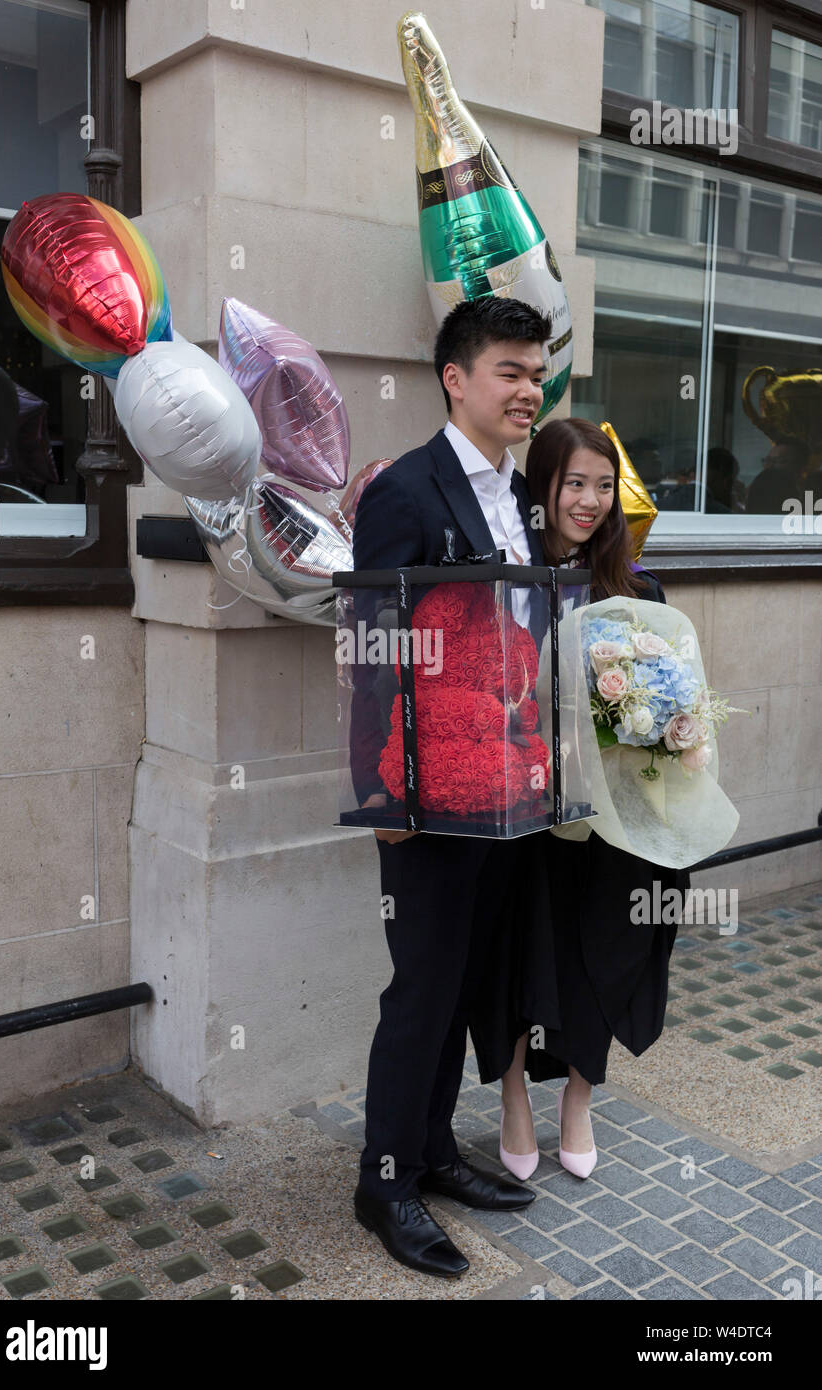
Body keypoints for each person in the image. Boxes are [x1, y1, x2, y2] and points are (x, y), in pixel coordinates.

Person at [350, 296, 557, 1278]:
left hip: (502, 791)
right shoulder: (405, 491)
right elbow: (373, 650)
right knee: (420, 990)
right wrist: (383, 797)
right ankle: (383, 1180)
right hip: (426, 798)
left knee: (464, 981)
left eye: (536, 369)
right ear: (455, 378)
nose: (529, 388)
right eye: (510, 371)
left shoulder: (517, 498)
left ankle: (432, 1151)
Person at [469, 417, 680, 1181]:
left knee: (605, 951)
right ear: (543, 488)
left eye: (601, 485)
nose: (588, 502)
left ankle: (580, 1099)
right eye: (572, 484)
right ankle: (515, 1095)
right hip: (522, 813)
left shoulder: (637, 591)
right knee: (517, 953)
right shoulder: (509, 587)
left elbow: (671, 705)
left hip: (608, 823)